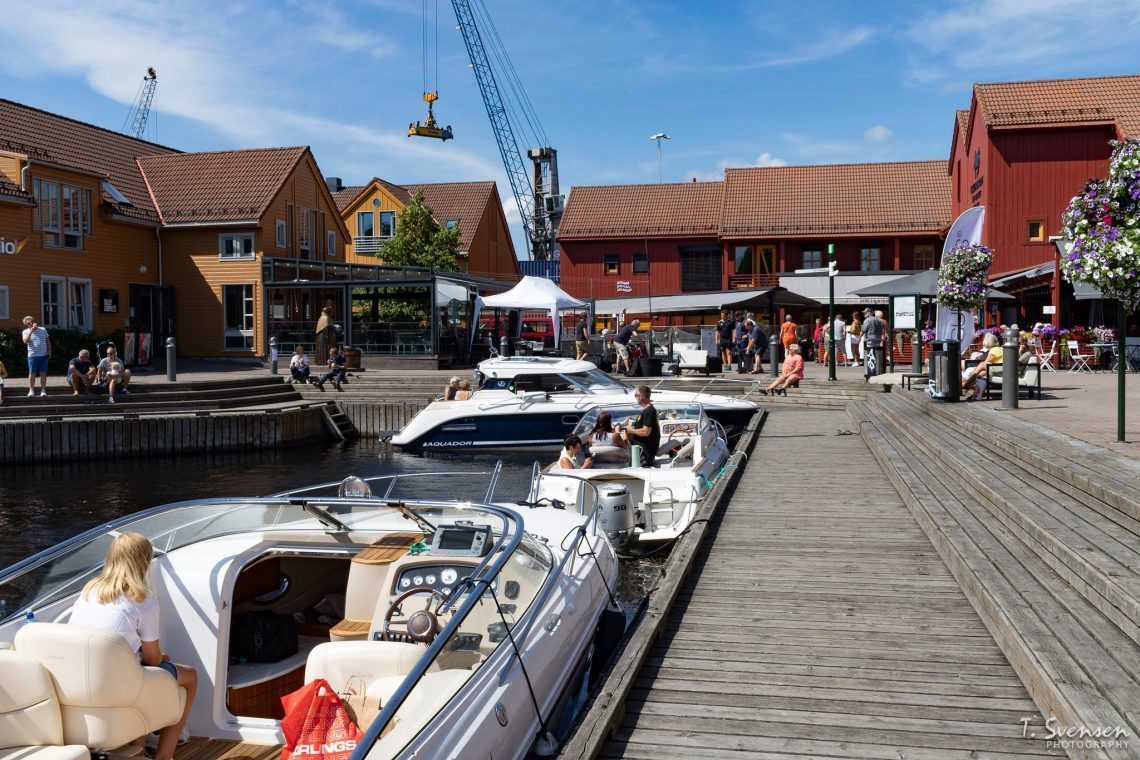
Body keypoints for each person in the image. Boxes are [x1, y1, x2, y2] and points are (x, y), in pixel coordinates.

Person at [68, 533, 197, 760]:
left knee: (137, 671)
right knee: (190, 676)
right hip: (120, 686)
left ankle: (138, 751)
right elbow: (152, 659)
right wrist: (162, 657)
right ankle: (164, 756)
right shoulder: (143, 600)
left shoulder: (88, 591)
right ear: (144, 561)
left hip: (81, 683)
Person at [615, 385, 659, 467]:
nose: (635, 398)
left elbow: (645, 432)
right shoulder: (646, 410)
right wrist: (632, 422)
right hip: (641, 448)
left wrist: (630, 430)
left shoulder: (649, 411)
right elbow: (642, 426)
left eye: (636, 395)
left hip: (645, 452)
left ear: (641, 397)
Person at [962, 332, 1003, 400]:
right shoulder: (998, 348)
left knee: (981, 364)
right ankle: (976, 395)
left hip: (999, 369)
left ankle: (966, 385)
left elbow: (986, 362)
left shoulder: (993, 350)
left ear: (987, 343)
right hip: (998, 368)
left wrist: (976, 369)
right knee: (981, 373)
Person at [22, 315, 51, 397]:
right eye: (29, 322)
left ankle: (43, 390)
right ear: (26, 324)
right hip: (32, 355)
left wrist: (49, 350)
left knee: (43, 373)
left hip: (43, 355)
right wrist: (31, 331)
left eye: (33, 321)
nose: (32, 323)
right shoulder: (25, 331)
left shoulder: (43, 329)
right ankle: (31, 390)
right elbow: (26, 341)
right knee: (32, 373)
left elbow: (48, 341)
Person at [862, 307, 887, 380]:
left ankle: (871, 373)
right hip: (878, 339)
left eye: (865, 313)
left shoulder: (867, 320)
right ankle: (877, 371)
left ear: (869, 313)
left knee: (870, 355)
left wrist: (859, 338)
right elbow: (882, 330)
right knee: (876, 355)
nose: (864, 314)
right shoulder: (878, 320)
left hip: (869, 340)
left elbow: (864, 330)